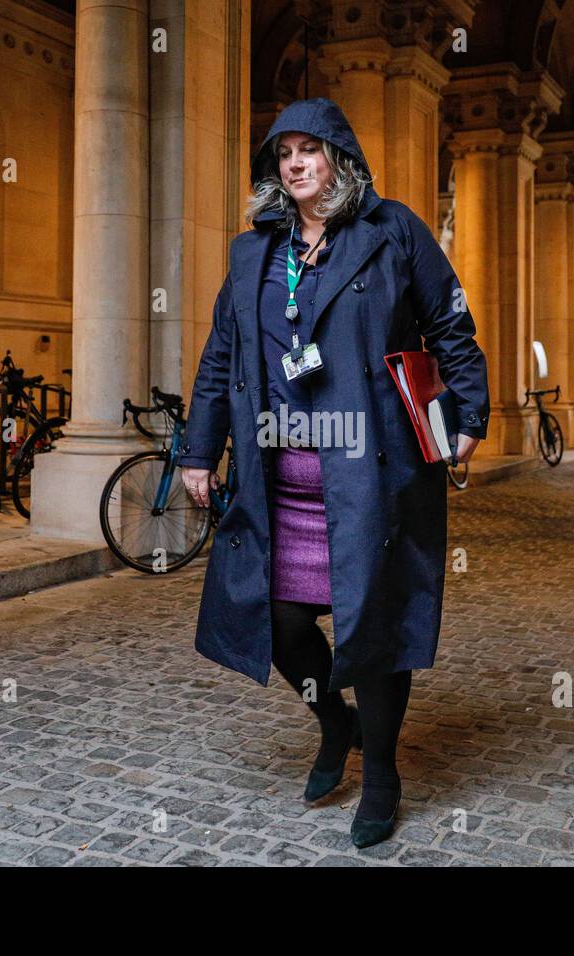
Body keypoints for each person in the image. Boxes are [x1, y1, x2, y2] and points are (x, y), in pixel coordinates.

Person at [178, 98, 490, 849]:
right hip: (274, 471)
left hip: (370, 470)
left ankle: (380, 774)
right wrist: (198, 449)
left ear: (339, 159)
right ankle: (334, 721)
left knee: (373, 628)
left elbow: (450, 324)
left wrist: (469, 415)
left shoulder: (393, 232)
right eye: (283, 152)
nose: (294, 163)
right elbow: (222, 356)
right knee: (279, 620)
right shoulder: (252, 253)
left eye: (309, 149)